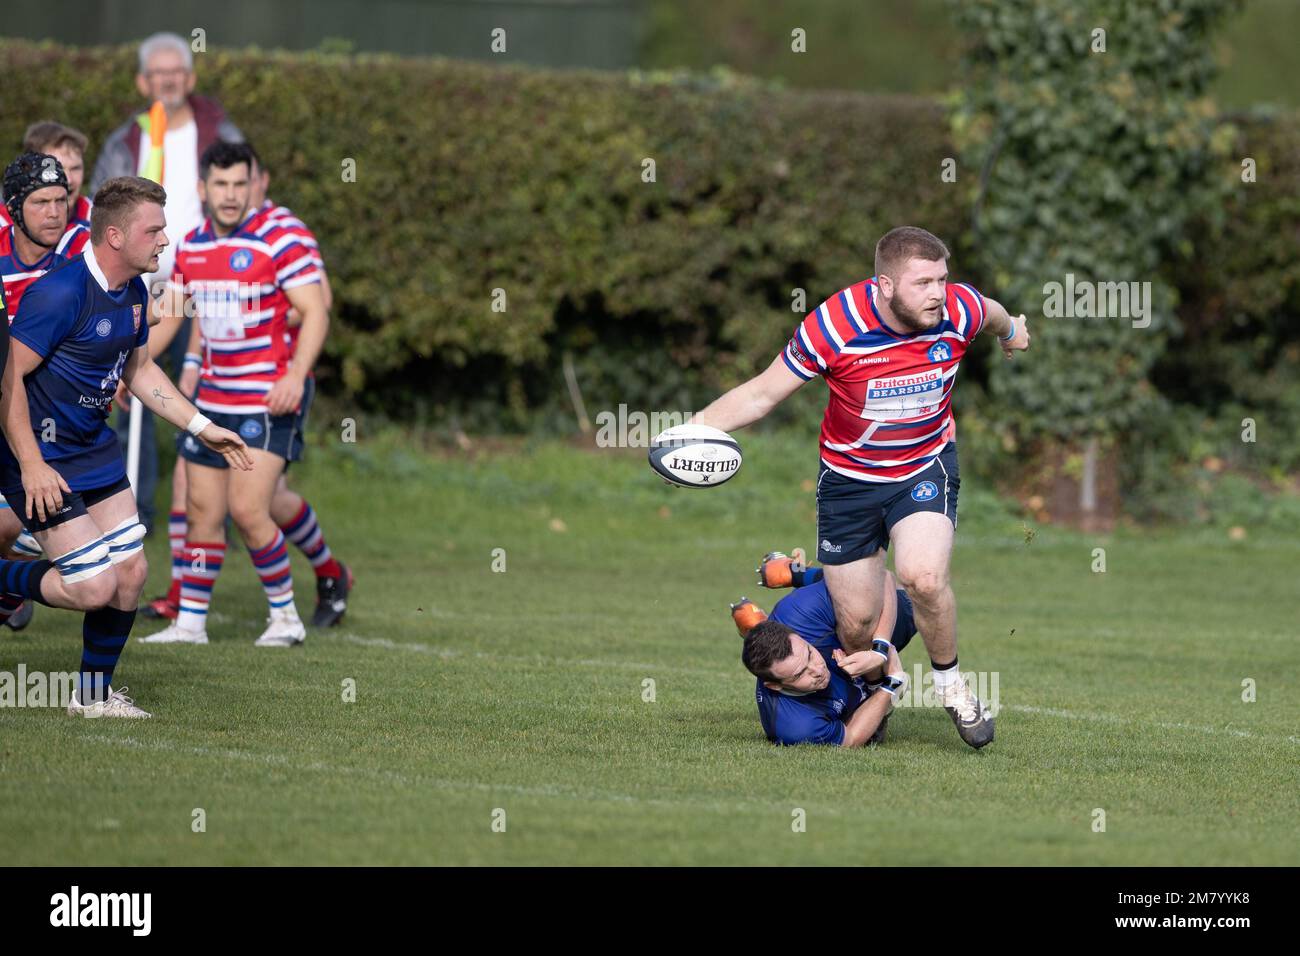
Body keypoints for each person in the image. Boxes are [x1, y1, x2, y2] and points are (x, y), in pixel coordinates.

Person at [692, 226, 1032, 749]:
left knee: (922, 577)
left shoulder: (958, 309)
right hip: (849, 484)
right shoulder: (835, 324)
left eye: (942, 278)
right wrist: (692, 432)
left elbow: (991, 311)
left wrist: (1012, 333)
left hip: (925, 466)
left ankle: (951, 684)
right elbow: (761, 395)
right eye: (923, 283)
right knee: (856, 624)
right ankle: (876, 692)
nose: (938, 293)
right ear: (885, 286)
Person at [0, 176, 251, 716]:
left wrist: (202, 426)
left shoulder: (134, 290)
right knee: (93, 587)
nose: (165, 240)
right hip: (45, 457)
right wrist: (31, 463)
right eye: (154, 229)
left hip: (93, 449)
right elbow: (8, 381)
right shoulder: (61, 293)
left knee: (131, 575)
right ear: (115, 236)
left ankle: (92, 698)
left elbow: (139, 371)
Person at [142, 150, 352, 626]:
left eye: (241, 183)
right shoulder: (192, 244)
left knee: (252, 506)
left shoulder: (284, 234)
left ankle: (302, 598)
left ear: (258, 181)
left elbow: (319, 304)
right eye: (222, 185)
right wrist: (133, 360)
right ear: (203, 189)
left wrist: (289, 364)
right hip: (217, 395)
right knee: (202, 501)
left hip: (270, 389)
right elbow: (181, 312)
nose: (232, 194)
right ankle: (187, 613)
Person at [91, 30, 245, 535]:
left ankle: (225, 510)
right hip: (145, 288)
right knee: (131, 392)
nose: (167, 82)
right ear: (143, 81)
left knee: (214, 391)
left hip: (203, 284)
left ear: (190, 77)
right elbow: (101, 208)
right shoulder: (126, 140)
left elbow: (246, 202)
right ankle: (134, 514)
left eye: (175, 73)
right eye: (157, 74)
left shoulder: (219, 131)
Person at [0, 153, 93, 631]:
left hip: (49, 427)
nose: (55, 211)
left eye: (62, 200)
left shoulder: (82, 257)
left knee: (9, 526)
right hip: (9, 415)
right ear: (14, 209)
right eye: (41, 202)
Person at [735, 553, 916, 747]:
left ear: (800, 637)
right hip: (813, 629)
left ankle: (799, 575)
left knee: (913, 603)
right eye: (799, 674)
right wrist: (890, 685)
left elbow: (884, 577)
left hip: (835, 617)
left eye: (810, 655)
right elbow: (852, 738)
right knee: (870, 736)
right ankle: (757, 626)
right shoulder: (795, 726)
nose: (817, 670)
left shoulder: (801, 614)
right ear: (775, 686)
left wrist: (879, 649)